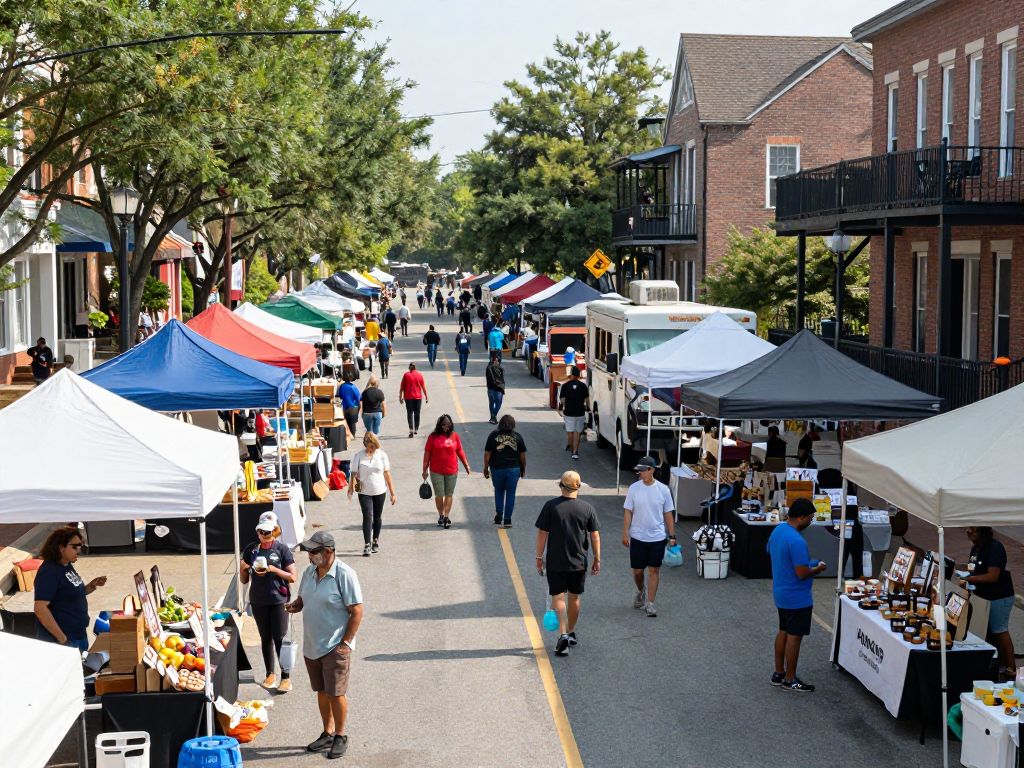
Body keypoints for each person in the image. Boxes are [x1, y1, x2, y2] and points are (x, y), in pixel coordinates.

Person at [286, 532, 363, 760]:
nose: (309, 555)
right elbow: (303, 599)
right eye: (309, 551)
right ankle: (327, 732)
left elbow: (357, 611)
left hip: (334, 646)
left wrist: (345, 643)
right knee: (321, 691)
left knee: (336, 693)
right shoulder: (310, 572)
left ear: (328, 551)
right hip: (312, 645)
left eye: (314, 551)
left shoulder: (345, 575)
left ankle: (340, 735)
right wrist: (295, 605)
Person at [535, 471, 601, 656]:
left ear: (561, 486)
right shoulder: (587, 508)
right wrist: (597, 558)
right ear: (578, 487)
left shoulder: (550, 506)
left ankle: (563, 634)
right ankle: (571, 632)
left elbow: (542, 533)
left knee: (558, 598)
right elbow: (594, 535)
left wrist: (539, 558)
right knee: (575, 597)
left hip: (556, 562)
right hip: (578, 562)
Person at [767, 497, 824, 692]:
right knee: (795, 636)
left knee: (783, 630)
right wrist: (817, 568)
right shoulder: (797, 540)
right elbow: (801, 573)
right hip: (797, 597)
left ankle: (779, 672)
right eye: (810, 517)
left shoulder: (778, 530)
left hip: (781, 592)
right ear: (801, 517)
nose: (811, 521)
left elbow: (776, 555)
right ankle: (790, 679)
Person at [240, 512, 298, 691]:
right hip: (258, 600)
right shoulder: (251, 549)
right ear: (257, 531)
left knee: (279, 638)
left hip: (278, 600)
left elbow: (293, 577)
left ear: (275, 531)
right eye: (262, 532)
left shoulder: (282, 549)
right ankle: (270, 673)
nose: (265, 535)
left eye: (269, 532)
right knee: (266, 638)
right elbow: (244, 580)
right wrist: (244, 569)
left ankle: (286, 677)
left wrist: (274, 569)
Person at [34, 526, 106, 651]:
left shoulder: (66, 565)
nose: (79, 550)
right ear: (61, 547)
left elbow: (74, 592)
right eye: (75, 546)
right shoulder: (49, 572)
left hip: (78, 635)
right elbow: (40, 609)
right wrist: (62, 639)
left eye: (81, 546)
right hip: (63, 640)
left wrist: (92, 586)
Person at [622, 456, 676, 618]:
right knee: (638, 571)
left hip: (657, 537)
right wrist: (625, 532)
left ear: (652, 470)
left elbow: (668, 513)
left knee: (654, 570)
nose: (640, 473)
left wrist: (672, 535)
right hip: (637, 536)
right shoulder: (634, 488)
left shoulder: (663, 490)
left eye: (643, 470)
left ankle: (650, 604)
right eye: (639, 470)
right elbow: (628, 511)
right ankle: (640, 590)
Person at [962, 527, 1017, 680]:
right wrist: (966, 577)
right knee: (990, 632)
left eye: (972, 530)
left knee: (1000, 630)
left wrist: (969, 579)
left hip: (999, 597)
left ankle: (1011, 667)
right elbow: (972, 570)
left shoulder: (995, 548)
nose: (968, 532)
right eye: (968, 529)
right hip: (983, 597)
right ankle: (997, 663)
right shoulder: (976, 548)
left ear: (982, 532)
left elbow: (992, 576)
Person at [348, 432, 397, 557]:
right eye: (370, 446)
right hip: (364, 491)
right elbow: (353, 473)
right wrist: (351, 488)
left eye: (374, 446)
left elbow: (387, 473)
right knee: (367, 516)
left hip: (380, 490)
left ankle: (375, 539)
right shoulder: (359, 455)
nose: (372, 449)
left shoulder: (382, 455)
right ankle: (367, 544)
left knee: (377, 516)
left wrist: (392, 493)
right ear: (365, 445)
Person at [422, 414, 470, 529]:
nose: (445, 427)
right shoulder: (432, 437)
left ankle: (447, 516)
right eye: (443, 425)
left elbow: (460, 451)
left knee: (449, 494)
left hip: (452, 470)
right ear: (439, 425)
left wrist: (466, 465)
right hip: (436, 471)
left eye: (447, 425)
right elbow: (427, 454)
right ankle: (441, 515)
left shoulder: (455, 436)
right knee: (439, 494)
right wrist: (424, 470)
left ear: (451, 425)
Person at [483, 414, 527, 527]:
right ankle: (508, 520)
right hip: (513, 469)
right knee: (511, 493)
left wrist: (485, 468)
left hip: (497, 468)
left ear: (500, 424)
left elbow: (487, 453)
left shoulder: (493, 435)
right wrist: (523, 469)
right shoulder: (517, 436)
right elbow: (522, 456)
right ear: (513, 425)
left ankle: (499, 515)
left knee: (499, 490)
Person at [558, 367, 590, 460]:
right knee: (577, 432)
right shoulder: (583, 386)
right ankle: (575, 452)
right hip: (580, 412)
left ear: (571, 375)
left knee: (570, 431)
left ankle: (571, 447)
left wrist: (565, 406)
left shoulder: (565, 386)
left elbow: (562, 400)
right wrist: (587, 408)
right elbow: (587, 400)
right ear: (579, 375)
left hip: (569, 412)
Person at [399, 362, 428, 437]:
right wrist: (426, 396)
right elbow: (423, 387)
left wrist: (400, 397)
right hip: (418, 397)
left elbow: (402, 387)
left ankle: (411, 429)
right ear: (415, 368)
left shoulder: (406, 375)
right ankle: (416, 429)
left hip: (408, 398)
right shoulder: (419, 375)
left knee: (410, 413)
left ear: (409, 367)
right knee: (417, 413)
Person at [337, 373, 362, 438]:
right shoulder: (352, 387)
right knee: (353, 423)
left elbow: (340, 396)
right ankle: (353, 435)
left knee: (347, 422)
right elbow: (358, 398)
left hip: (344, 407)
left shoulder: (342, 386)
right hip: (353, 407)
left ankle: (348, 435)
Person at [485, 353, 505, 424]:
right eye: (496, 360)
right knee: (492, 402)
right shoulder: (489, 368)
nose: (497, 362)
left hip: (499, 387)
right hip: (491, 387)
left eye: (498, 360)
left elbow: (502, 378)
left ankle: (494, 416)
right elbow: (492, 378)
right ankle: (493, 417)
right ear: (492, 360)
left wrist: (503, 386)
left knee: (499, 401)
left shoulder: (500, 368)